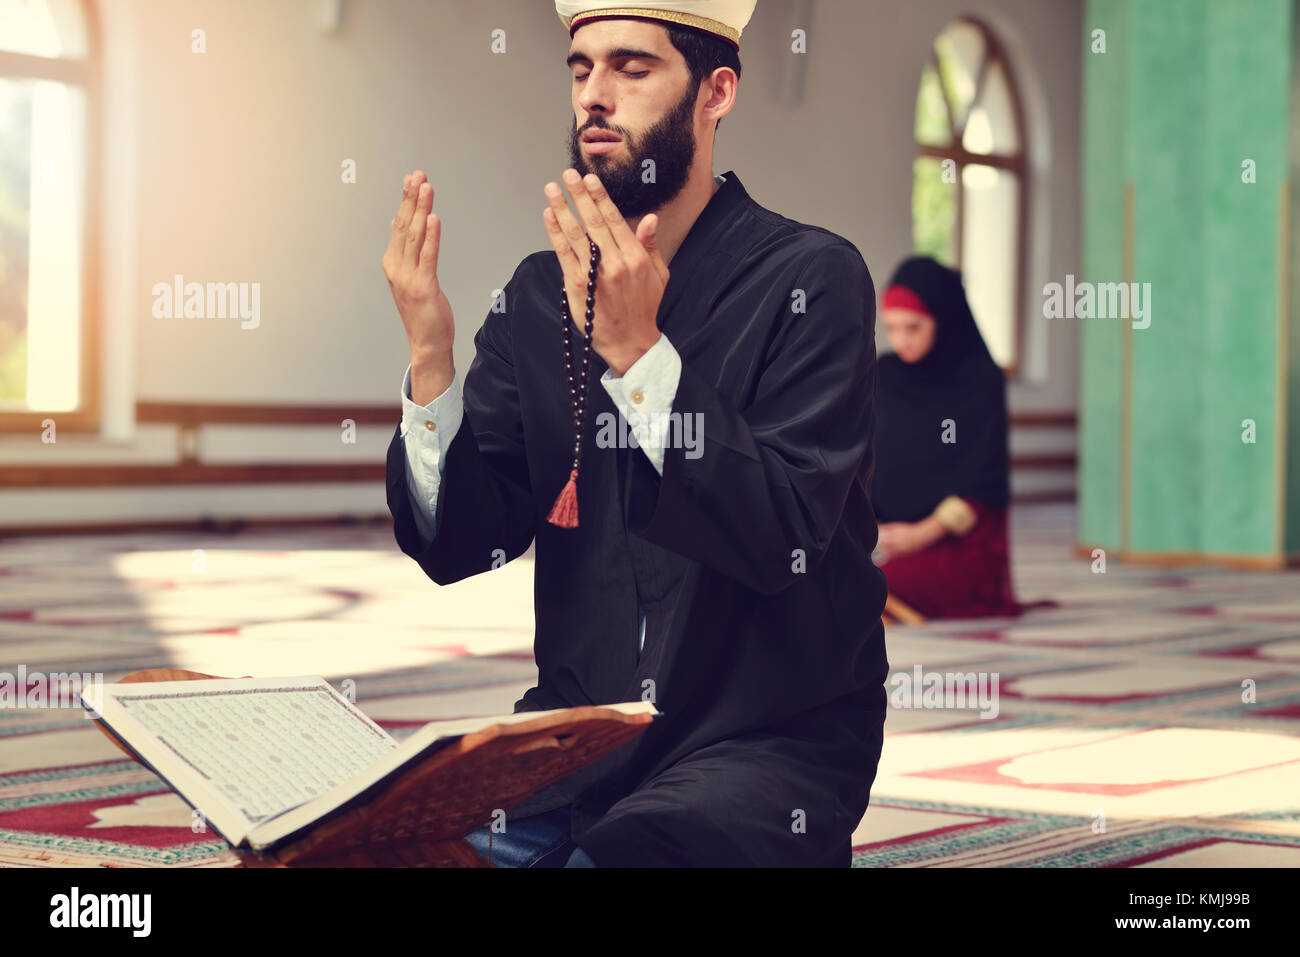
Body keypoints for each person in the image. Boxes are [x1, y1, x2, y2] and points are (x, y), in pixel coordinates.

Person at [383, 0, 889, 867]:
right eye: (581, 70)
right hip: (576, 742)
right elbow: (463, 539)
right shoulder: (543, 293)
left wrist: (641, 354)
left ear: (715, 91)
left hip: (758, 746)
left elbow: (785, 534)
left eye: (632, 67)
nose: (595, 96)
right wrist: (431, 358)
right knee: (378, 849)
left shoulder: (811, 278)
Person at [871, 256, 1024, 619]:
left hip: (958, 543)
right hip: (884, 538)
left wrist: (919, 535)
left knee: (875, 581)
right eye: (891, 328)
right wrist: (871, 530)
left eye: (913, 327)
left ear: (943, 319)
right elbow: (861, 458)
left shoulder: (979, 379)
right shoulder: (884, 374)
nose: (901, 340)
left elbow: (983, 482)